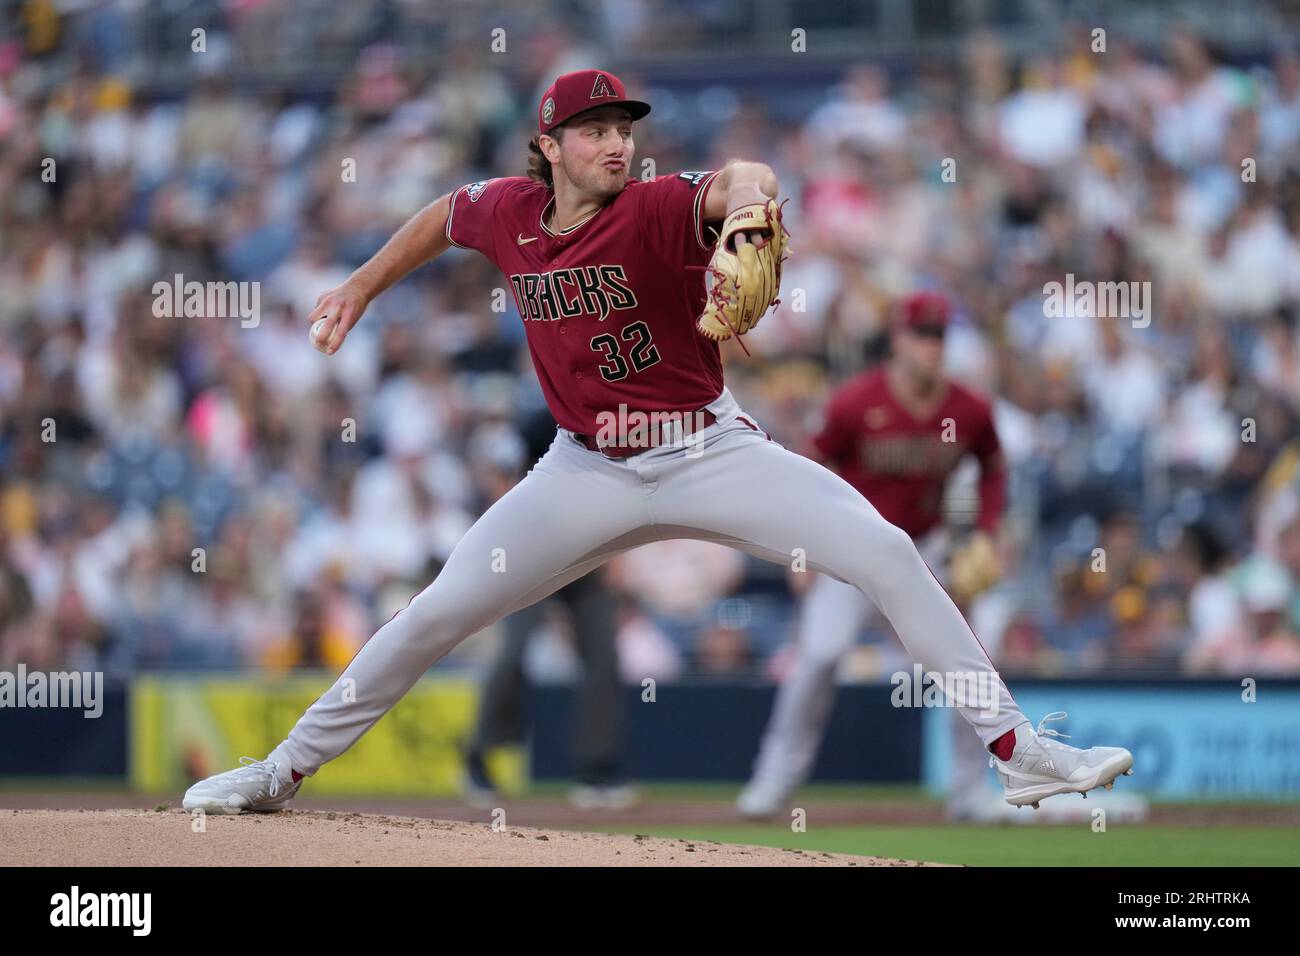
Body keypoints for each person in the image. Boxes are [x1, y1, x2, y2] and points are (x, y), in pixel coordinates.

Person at [182, 69, 1133, 816]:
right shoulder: (511, 211)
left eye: (624, 128)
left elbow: (740, 180)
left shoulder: (654, 205)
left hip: (709, 453)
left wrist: (755, 208)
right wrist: (358, 284)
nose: (616, 142)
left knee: (886, 551)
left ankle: (1019, 755)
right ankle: (283, 769)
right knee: (436, 612)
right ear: (548, 145)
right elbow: (443, 214)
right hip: (582, 470)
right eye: (595, 129)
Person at [736, 292, 1015, 822]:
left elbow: (995, 468)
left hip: (924, 550)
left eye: (940, 337)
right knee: (818, 655)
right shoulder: (855, 403)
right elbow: (806, 468)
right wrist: (800, 548)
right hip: (852, 545)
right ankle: (772, 783)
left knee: (965, 664)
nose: (933, 347)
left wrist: (989, 530)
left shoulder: (968, 409)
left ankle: (967, 792)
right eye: (923, 336)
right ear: (898, 339)